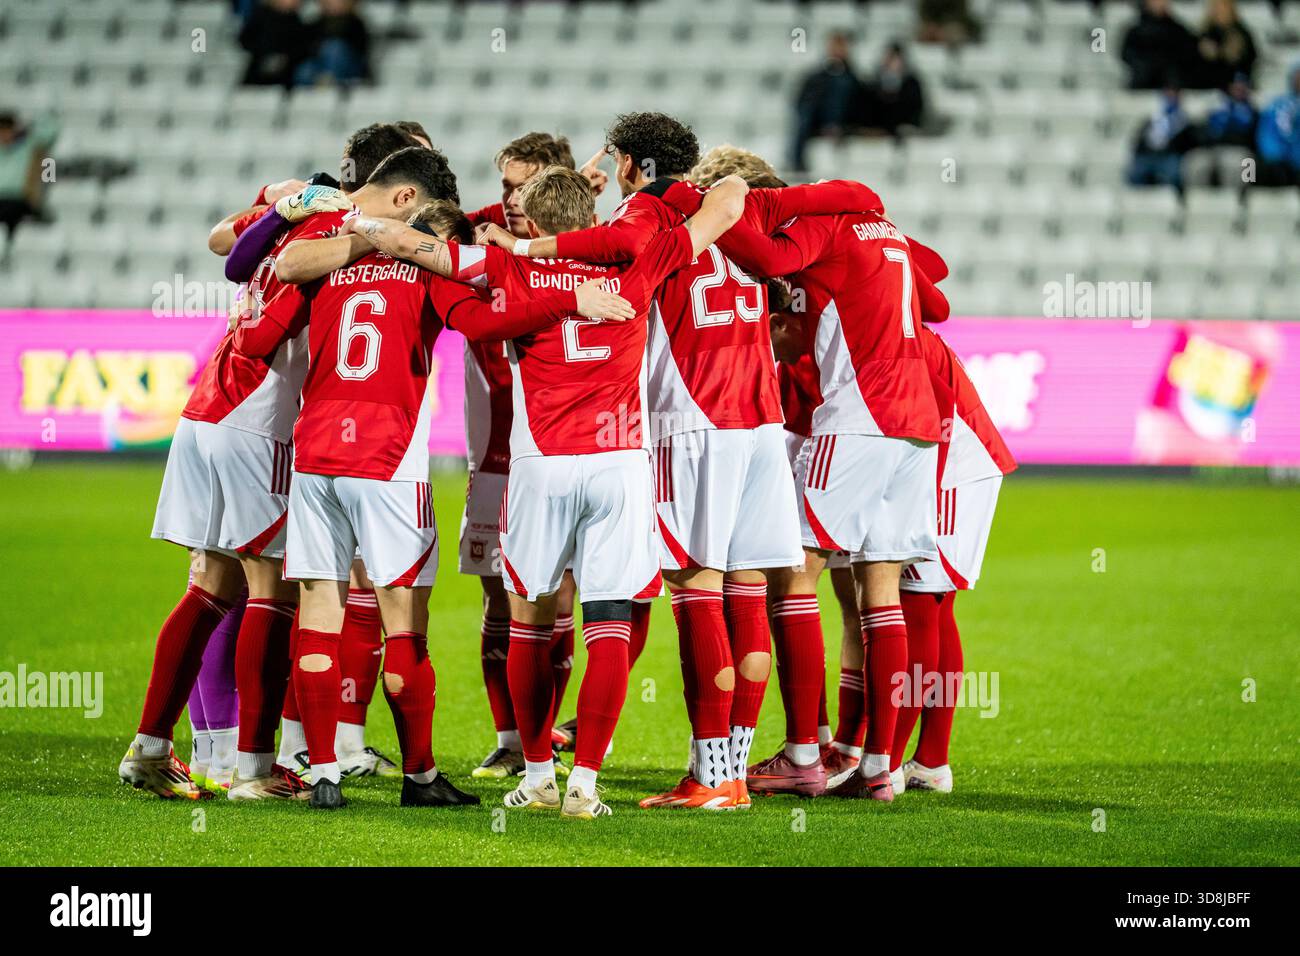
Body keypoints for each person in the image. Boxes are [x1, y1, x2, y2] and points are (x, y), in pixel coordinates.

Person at [345, 165, 751, 818]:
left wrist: (360, 220)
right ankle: (585, 784)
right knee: (610, 622)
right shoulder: (639, 262)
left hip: (540, 466)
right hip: (619, 462)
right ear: (590, 223)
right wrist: (708, 181)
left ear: (528, 226)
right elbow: (726, 208)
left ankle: (536, 774)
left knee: (530, 620)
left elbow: (416, 248)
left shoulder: (507, 270)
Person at [789, 33, 860, 172]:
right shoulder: (816, 76)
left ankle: (834, 125)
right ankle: (798, 162)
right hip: (817, 120)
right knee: (804, 116)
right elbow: (803, 100)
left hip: (846, 120)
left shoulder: (853, 79)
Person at [0, 109, 58, 254]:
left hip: (19, 199)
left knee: (13, 212)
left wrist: (28, 126)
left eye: (8, 130)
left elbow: (50, 131)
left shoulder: (27, 146)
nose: (4, 134)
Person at [1127, 84, 1197, 191]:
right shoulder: (1154, 117)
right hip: (1148, 154)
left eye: (1173, 96)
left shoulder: (1184, 120)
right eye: (1168, 95)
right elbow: (1140, 139)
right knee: (1135, 172)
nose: (1170, 99)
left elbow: (1188, 142)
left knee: (1173, 173)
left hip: (1169, 155)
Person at [1121, 0, 1199, 91]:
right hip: (1143, 86)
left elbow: (1190, 52)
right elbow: (1126, 54)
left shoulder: (1177, 30)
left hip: (1174, 86)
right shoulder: (1136, 30)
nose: (1161, 3)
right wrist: (1145, 67)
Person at [294, 0, 372, 88]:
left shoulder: (355, 23)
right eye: (329, 3)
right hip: (321, 64)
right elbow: (309, 49)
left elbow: (361, 51)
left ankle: (328, 82)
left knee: (335, 48)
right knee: (305, 69)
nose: (334, 5)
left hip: (350, 66)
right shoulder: (316, 24)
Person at [238, 0, 312, 88]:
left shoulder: (300, 21)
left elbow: (303, 49)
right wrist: (263, 53)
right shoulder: (261, 16)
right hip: (258, 68)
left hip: (287, 73)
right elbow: (245, 40)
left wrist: (285, 58)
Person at [859, 43, 924, 137]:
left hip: (902, 131)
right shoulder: (872, 84)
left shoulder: (912, 84)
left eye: (894, 58)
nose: (890, 62)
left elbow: (915, 109)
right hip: (876, 132)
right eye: (888, 57)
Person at [1256, 61, 1300, 187]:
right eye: (1297, 75)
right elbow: (1266, 133)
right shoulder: (1276, 104)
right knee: (1248, 166)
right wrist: (1275, 153)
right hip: (1279, 159)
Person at [1195, 0, 1257, 91]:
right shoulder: (1205, 33)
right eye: (1216, 7)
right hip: (1208, 85)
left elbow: (1251, 60)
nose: (1220, 11)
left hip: (1237, 85)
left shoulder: (1241, 33)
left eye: (1223, 7)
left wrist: (1234, 54)